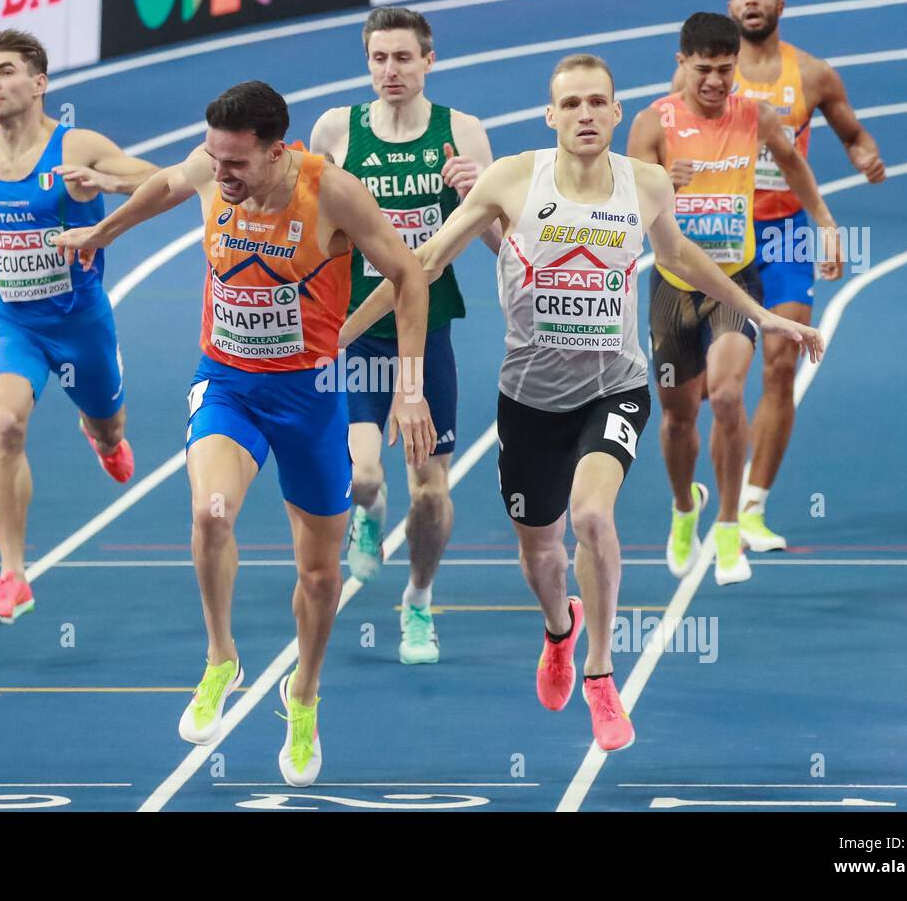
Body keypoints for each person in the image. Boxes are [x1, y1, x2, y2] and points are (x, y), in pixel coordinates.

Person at [341, 53, 823, 751]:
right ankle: (561, 632)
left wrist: (765, 316)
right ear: (550, 115)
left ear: (617, 111)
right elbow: (422, 266)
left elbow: (683, 258)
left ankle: (601, 675)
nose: (586, 115)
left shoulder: (647, 184)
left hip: (614, 389)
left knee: (593, 517)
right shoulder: (513, 178)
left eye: (598, 102)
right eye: (571, 104)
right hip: (530, 401)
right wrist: (336, 337)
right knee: (542, 556)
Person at [53, 81, 435, 786]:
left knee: (319, 577)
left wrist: (407, 390)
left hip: (311, 397)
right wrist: (99, 232)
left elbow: (410, 274)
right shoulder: (212, 169)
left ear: (277, 150)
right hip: (228, 384)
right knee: (210, 511)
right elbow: (165, 186)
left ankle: (303, 696)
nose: (218, 173)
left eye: (234, 164)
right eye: (213, 157)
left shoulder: (333, 193)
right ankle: (221, 657)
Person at [0, 29, 158, 626]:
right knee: (5, 424)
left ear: (39, 83)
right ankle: (12, 576)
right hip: (15, 321)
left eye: (4, 72)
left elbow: (164, 182)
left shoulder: (78, 144)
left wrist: (104, 183)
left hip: (80, 323)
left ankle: (101, 437)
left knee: (108, 429)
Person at [310, 6, 501, 665]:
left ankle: (418, 599)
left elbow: (506, 246)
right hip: (359, 332)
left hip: (427, 336)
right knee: (364, 477)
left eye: (403, 58)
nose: (390, 70)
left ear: (429, 60)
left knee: (431, 494)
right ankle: (368, 515)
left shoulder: (464, 133)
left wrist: (476, 194)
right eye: (378, 58)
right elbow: (314, 233)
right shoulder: (337, 130)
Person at [669, 0, 884, 550]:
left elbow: (852, 134)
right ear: (730, 5)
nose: (751, 1)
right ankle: (702, 488)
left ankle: (754, 507)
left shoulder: (812, 74)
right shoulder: (705, 73)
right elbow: (674, 136)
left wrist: (865, 157)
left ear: (781, 4)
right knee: (706, 387)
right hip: (718, 232)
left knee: (783, 362)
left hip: (784, 233)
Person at [630, 12, 841, 586]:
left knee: (725, 397)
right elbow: (623, 208)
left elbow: (794, 165)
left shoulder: (755, 116)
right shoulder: (653, 125)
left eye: (726, 71)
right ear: (682, 64)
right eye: (705, 71)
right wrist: (659, 187)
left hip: (735, 284)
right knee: (676, 420)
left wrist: (824, 222)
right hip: (674, 290)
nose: (717, 83)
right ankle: (683, 507)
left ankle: (727, 526)